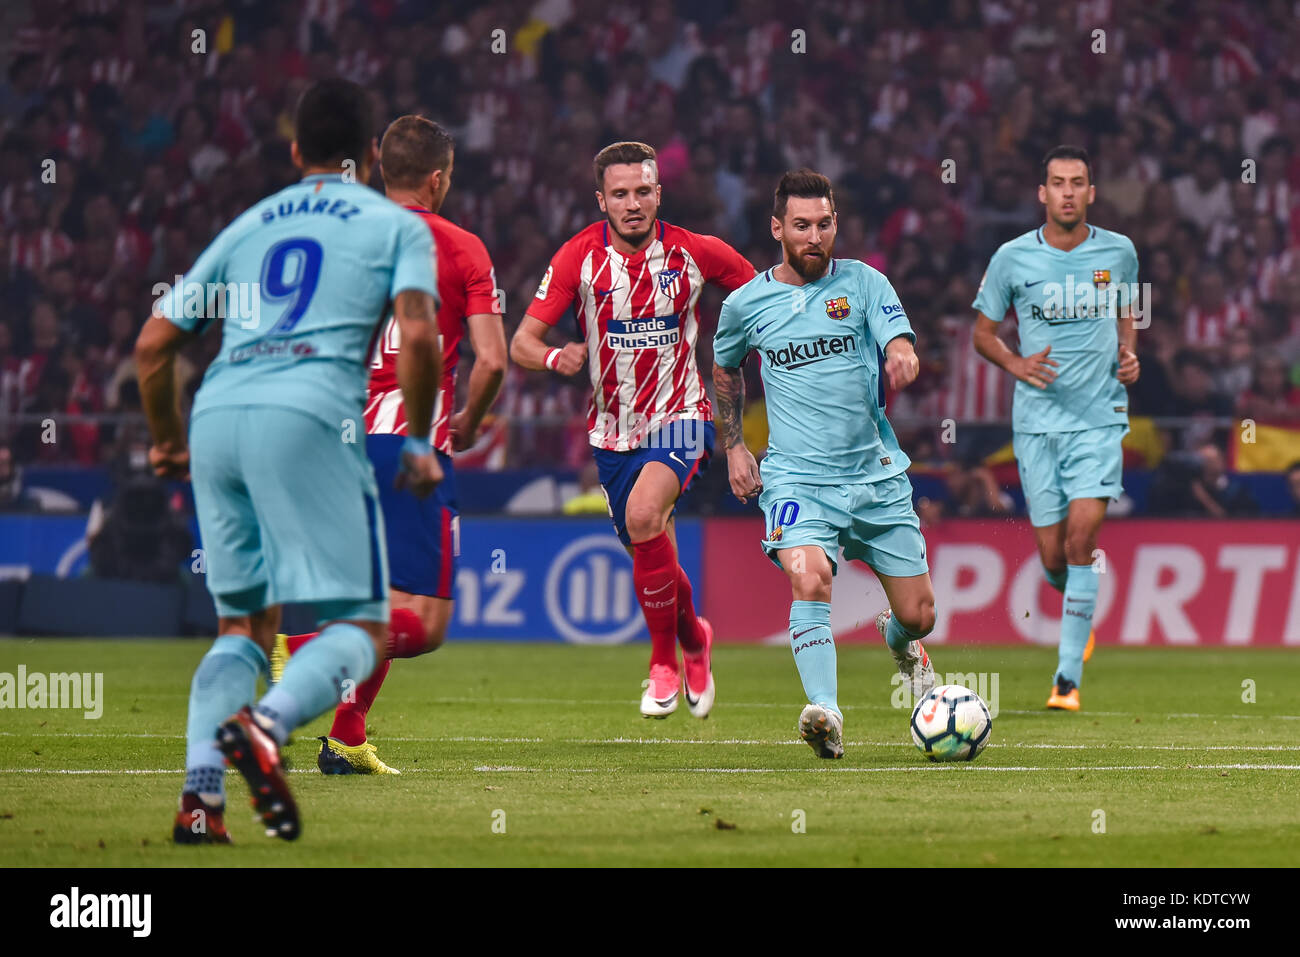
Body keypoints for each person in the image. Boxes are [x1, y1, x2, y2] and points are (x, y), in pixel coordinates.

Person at [134, 78, 443, 844]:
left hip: (218, 413)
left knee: (242, 624)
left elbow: (153, 343)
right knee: (365, 626)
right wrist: (418, 438)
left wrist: (167, 438)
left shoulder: (248, 224)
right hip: (308, 416)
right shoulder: (392, 223)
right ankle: (266, 729)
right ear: (371, 155)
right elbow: (421, 332)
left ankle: (200, 801)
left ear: (296, 149)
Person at [270, 115, 506, 776]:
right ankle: (296, 646)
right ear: (439, 178)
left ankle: (346, 736)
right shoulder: (462, 248)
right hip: (408, 442)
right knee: (424, 622)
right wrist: (465, 420)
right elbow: (491, 361)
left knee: (381, 603)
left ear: (379, 168)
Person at [510, 141, 754, 719]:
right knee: (653, 548)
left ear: (658, 193)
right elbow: (521, 342)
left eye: (642, 191)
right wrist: (554, 359)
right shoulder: (577, 259)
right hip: (612, 434)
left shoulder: (695, 252)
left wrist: (755, 346)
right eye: (619, 194)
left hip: (683, 417)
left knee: (646, 517)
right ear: (602, 200)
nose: (633, 203)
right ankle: (695, 637)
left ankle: (663, 662)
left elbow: (760, 292)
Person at [712, 169, 936, 760]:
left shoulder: (864, 283)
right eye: (803, 226)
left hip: (877, 476)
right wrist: (734, 445)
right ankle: (826, 714)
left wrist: (903, 353)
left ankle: (903, 643)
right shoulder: (745, 305)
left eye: (825, 224)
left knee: (921, 615)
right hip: (796, 480)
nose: (816, 237)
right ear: (777, 227)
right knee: (810, 575)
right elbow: (726, 368)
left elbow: (898, 337)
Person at [972, 145, 1140, 712]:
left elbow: (1128, 309)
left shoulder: (1119, 252)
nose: (1067, 191)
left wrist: (1129, 353)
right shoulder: (1012, 258)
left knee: (1081, 539)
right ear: (1042, 193)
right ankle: (1080, 611)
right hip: (1038, 423)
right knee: (1051, 558)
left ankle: (1066, 679)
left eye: (1078, 182)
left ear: (1092, 192)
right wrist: (1015, 364)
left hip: (1099, 417)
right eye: (1057, 183)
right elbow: (983, 333)